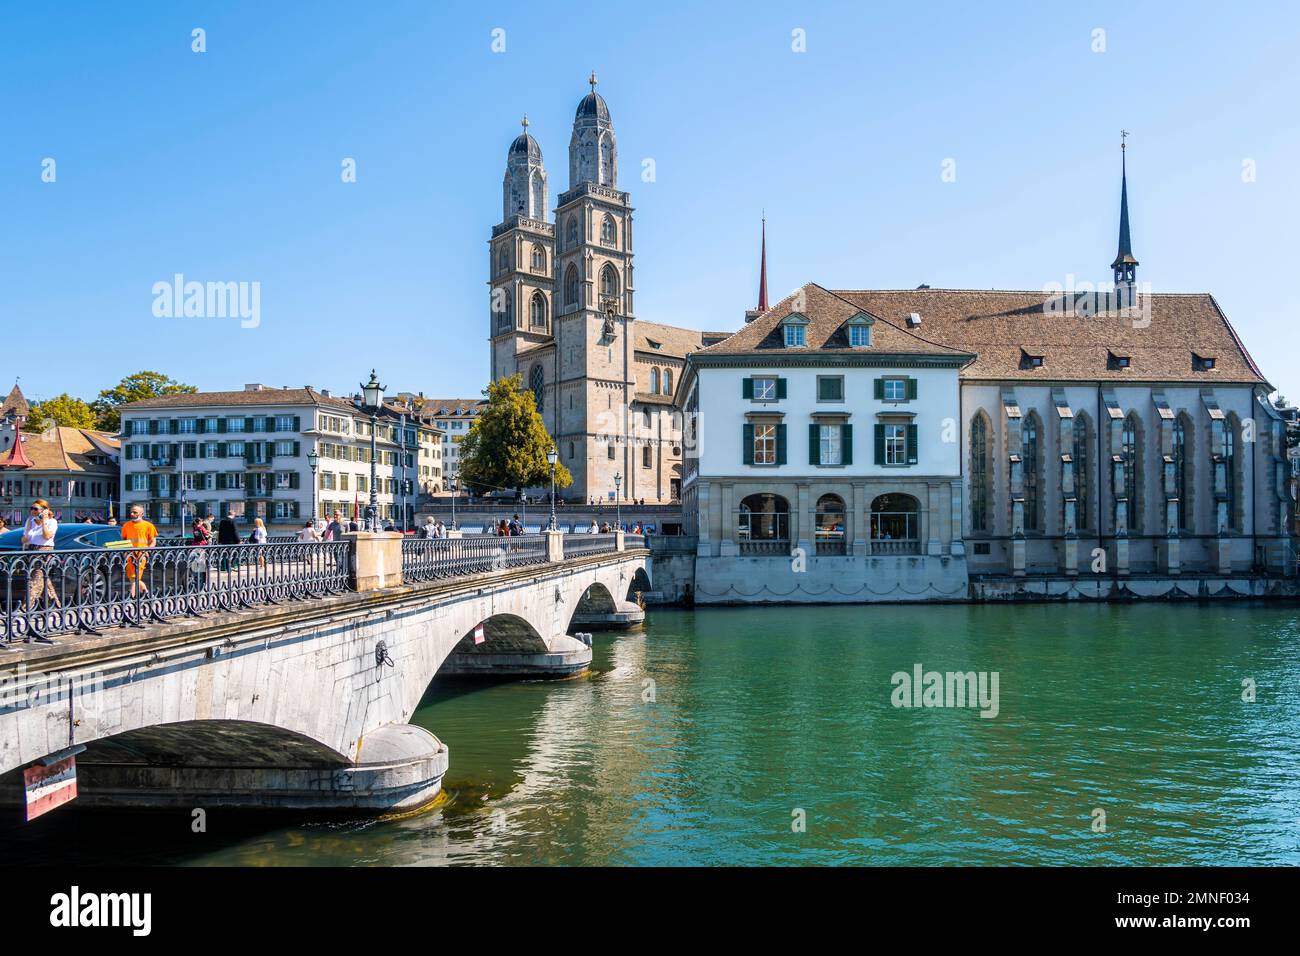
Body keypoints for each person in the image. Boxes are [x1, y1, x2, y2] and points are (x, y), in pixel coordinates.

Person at [22, 500, 60, 609]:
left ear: (44, 510)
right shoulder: (30, 520)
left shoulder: (52, 522)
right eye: (31, 508)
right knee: (44, 581)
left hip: (44, 551)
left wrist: (43, 522)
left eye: (35, 509)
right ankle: (57, 608)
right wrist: (28, 528)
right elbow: (24, 540)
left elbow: (47, 536)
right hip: (31, 550)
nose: (32, 511)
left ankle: (25, 610)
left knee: (35, 582)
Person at [121, 504, 158, 597]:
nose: (132, 514)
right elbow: (124, 540)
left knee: (134, 577)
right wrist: (125, 551)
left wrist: (147, 551)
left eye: (135, 512)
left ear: (142, 513)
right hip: (129, 556)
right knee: (133, 578)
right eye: (131, 512)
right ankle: (146, 593)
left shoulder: (148, 525)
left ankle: (130, 597)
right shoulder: (126, 525)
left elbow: (153, 541)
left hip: (141, 555)